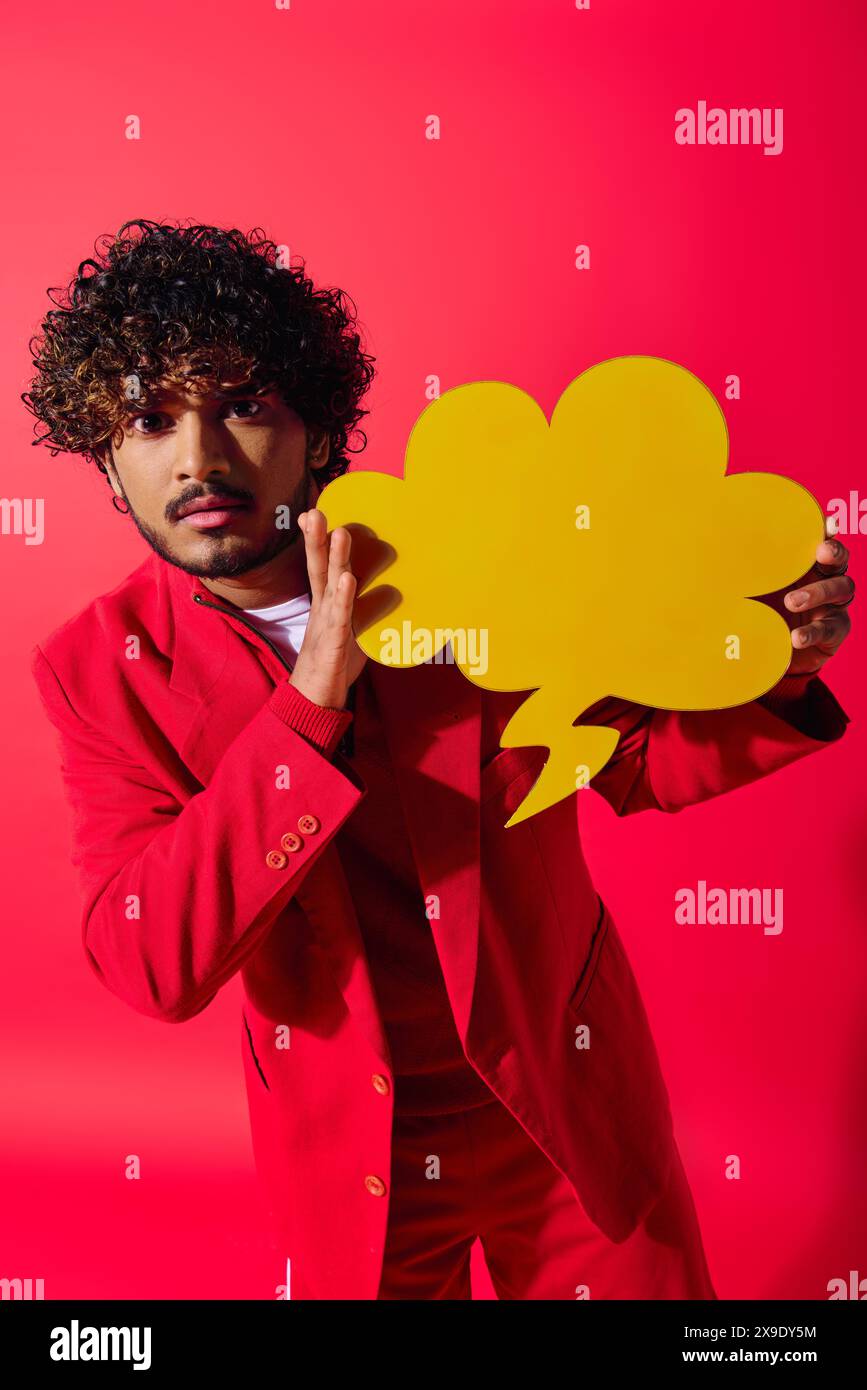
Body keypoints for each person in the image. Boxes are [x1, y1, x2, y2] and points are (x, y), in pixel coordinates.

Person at [24, 220, 854, 1300]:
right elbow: (152, 960)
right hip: (350, 1147)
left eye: (244, 404)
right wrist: (308, 700)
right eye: (150, 419)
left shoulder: (474, 557)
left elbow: (635, 759)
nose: (199, 458)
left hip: (564, 1092)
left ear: (320, 430)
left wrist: (773, 668)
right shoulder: (99, 668)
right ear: (103, 460)